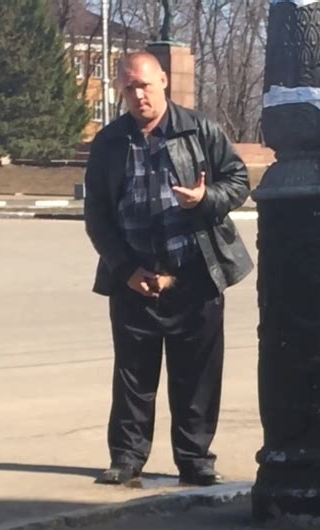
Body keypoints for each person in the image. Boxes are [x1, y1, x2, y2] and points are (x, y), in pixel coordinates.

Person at [85, 52, 253, 486]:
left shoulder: (199, 130)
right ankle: (126, 457)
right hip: (135, 278)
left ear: (163, 81)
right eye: (128, 87)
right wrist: (124, 268)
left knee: (196, 375)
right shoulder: (109, 143)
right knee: (133, 376)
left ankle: (195, 458)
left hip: (195, 274)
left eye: (145, 84)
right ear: (120, 90)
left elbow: (238, 180)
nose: (138, 95)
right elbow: (98, 216)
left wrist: (205, 199)